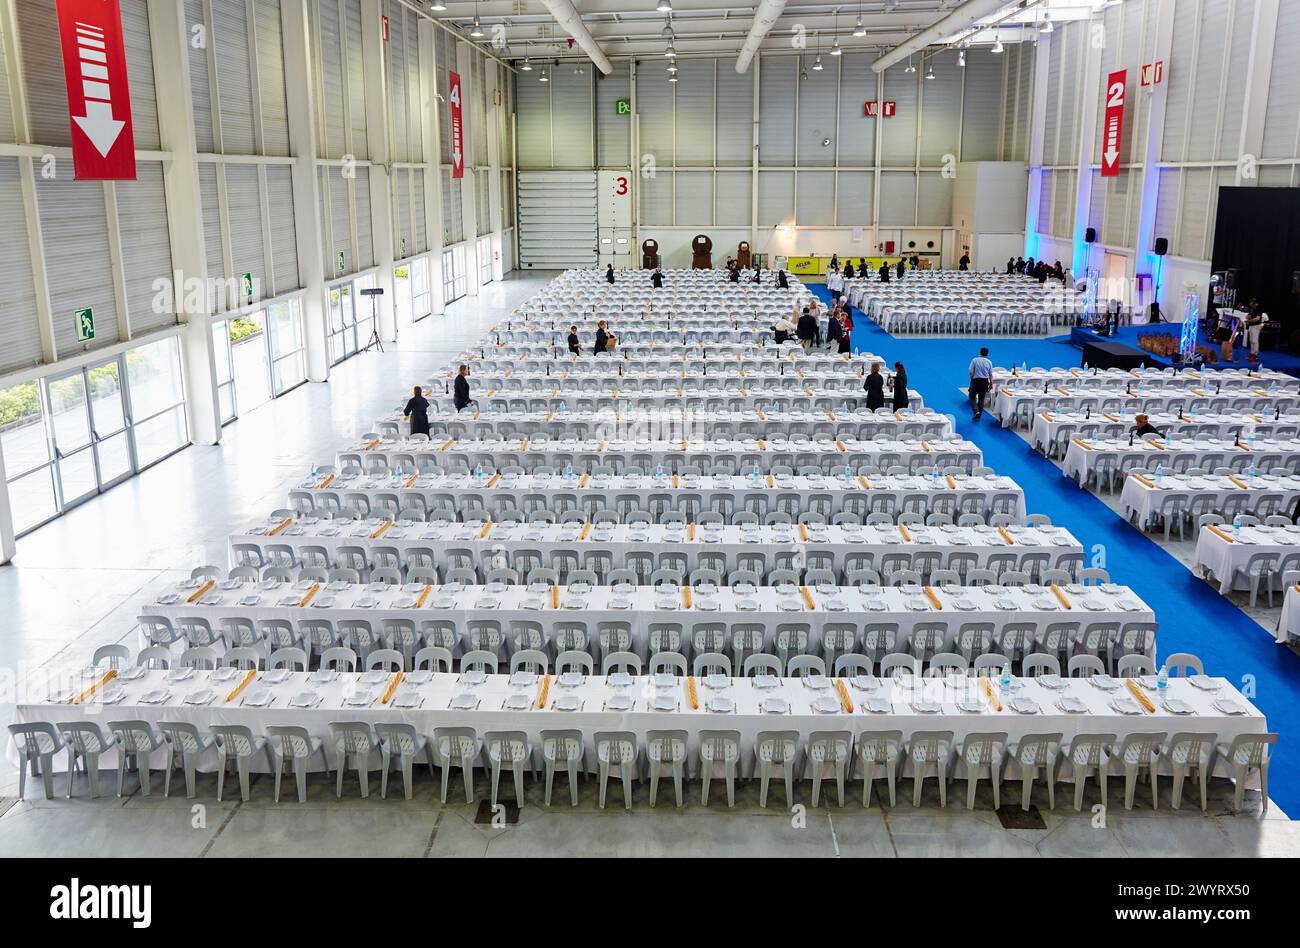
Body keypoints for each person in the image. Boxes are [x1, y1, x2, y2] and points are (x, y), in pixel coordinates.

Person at [968, 346, 993, 421]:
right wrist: (991, 383)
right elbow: (990, 374)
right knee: (981, 398)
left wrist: (971, 378)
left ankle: (976, 411)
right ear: (987, 354)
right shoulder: (989, 362)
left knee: (972, 397)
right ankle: (979, 415)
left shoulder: (974, 360)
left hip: (976, 381)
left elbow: (971, 371)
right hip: (985, 381)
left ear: (980, 352)